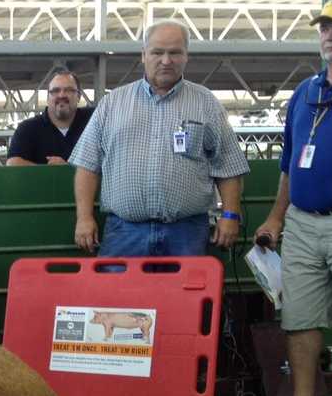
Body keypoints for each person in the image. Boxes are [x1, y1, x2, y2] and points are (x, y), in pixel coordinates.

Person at [255, 0, 332, 396]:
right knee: (298, 315)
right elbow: (290, 164)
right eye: (324, 27)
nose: (330, 34)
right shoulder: (305, 90)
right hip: (302, 220)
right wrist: (277, 217)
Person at [69, 21, 250, 257]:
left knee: (186, 295)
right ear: (143, 55)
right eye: (157, 52)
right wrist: (84, 218)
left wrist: (230, 215)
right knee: (120, 295)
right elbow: (87, 166)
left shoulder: (206, 103)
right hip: (125, 232)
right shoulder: (112, 104)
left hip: (188, 233)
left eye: (175, 52)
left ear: (186, 56)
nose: (166, 61)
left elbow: (228, 166)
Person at [6, 69, 94, 166]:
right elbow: (13, 163)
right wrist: (50, 172)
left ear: (79, 96)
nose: (61, 95)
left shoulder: (94, 122)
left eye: (69, 90)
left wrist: (67, 169)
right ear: (48, 97)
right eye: (55, 91)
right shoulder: (28, 128)